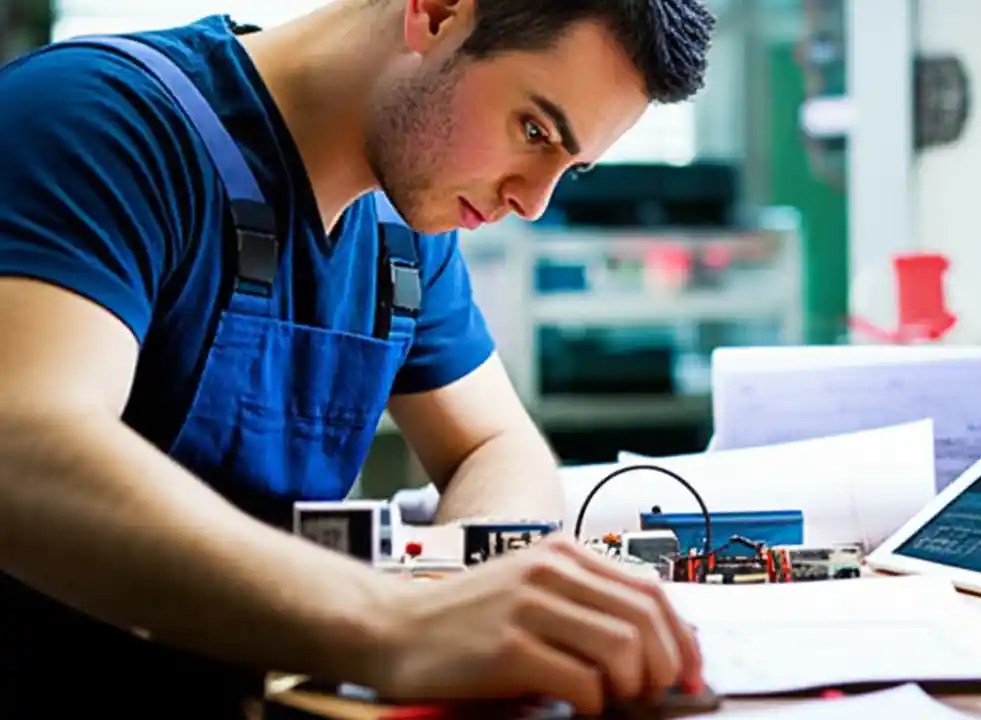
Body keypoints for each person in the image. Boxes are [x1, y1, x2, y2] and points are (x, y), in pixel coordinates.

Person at [0, 0, 714, 715]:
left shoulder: (404, 234)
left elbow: (497, 447)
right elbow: (21, 443)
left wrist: (464, 601)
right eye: (533, 130)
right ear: (434, 14)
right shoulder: (95, 124)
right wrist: (390, 624)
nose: (532, 201)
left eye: (573, 166)